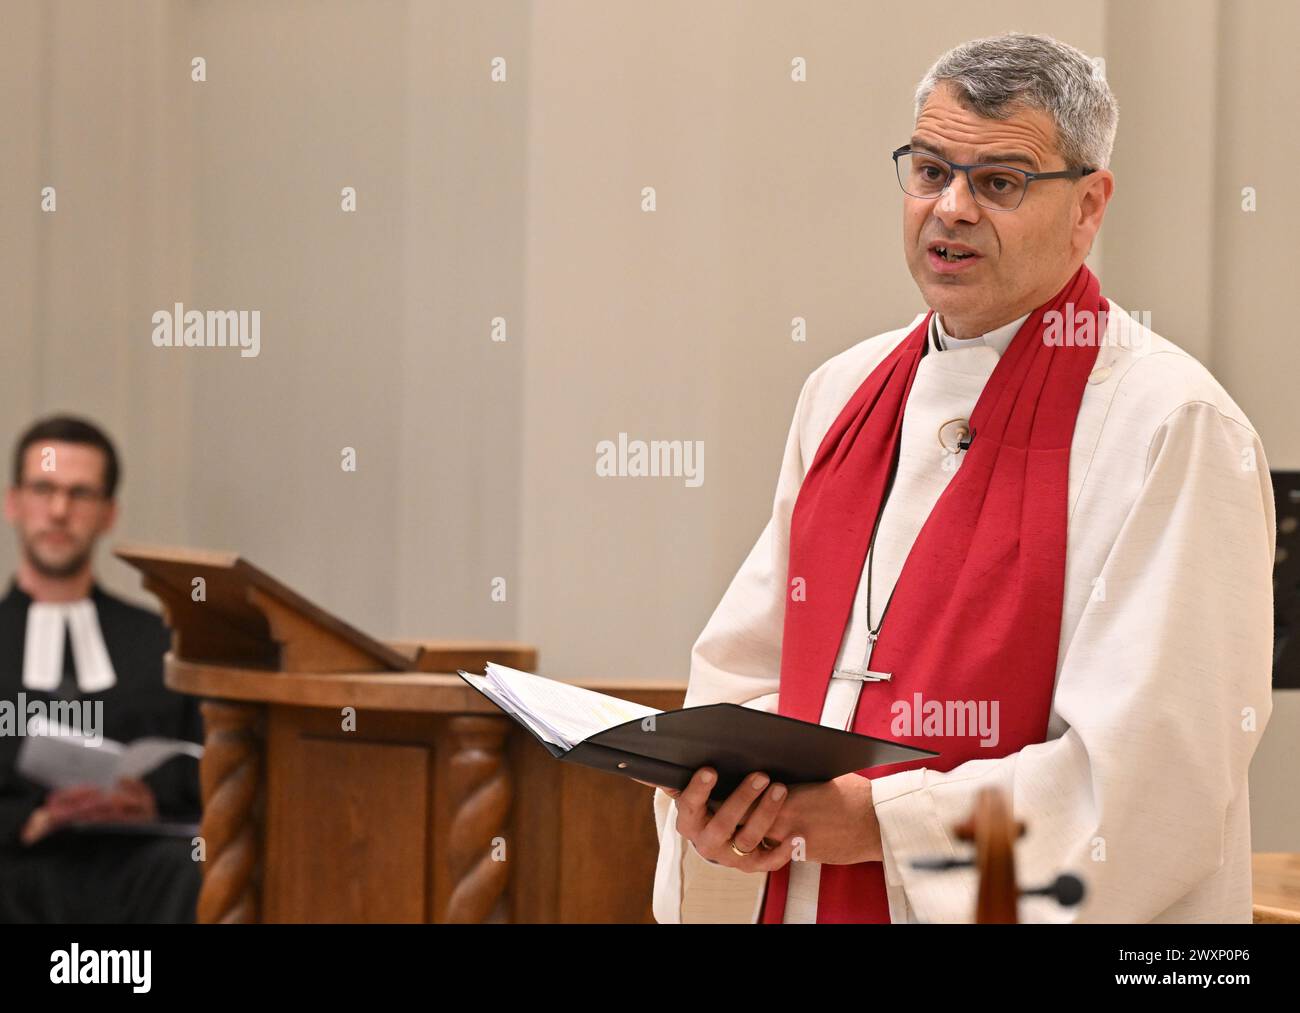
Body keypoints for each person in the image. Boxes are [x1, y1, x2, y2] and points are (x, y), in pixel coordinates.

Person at [650, 32, 1275, 923]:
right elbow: (748, 669)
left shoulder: (1172, 424)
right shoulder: (841, 393)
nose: (950, 208)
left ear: (1089, 205)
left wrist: (886, 823)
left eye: (999, 182)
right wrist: (720, 801)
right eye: (930, 169)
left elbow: (1151, 786)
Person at [0, 415, 203, 922]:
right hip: (16, 863)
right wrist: (32, 818)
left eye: (81, 493)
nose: (59, 510)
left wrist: (149, 806)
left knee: (187, 867)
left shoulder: (163, 642)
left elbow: (204, 772)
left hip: (135, 868)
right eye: (43, 488)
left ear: (109, 513)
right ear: (13, 502)